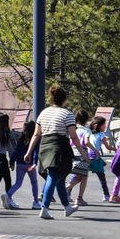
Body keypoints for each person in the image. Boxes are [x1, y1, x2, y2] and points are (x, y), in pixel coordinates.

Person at [24, 85, 91, 220]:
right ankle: (44, 207)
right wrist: (84, 154)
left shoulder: (43, 112)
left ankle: (67, 207)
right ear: (64, 99)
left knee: (59, 178)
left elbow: (37, 135)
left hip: (45, 146)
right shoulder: (67, 114)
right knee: (54, 176)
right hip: (59, 146)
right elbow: (73, 136)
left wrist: (29, 152)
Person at [6, 120, 41, 209]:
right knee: (34, 183)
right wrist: (34, 163)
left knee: (18, 183)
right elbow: (36, 151)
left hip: (20, 164)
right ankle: (35, 202)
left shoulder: (21, 138)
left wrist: (12, 161)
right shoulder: (35, 139)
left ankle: (8, 195)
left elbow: (16, 150)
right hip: (29, 164)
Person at [65, 110, 94, 206]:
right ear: (86, 120)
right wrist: (95, 150)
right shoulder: (86, 130)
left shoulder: (74, 129)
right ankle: (79, 198)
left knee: (78, 176)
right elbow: (86, 142)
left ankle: (67, 189)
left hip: (72, 152)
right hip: (82, 153)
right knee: (84, 177)